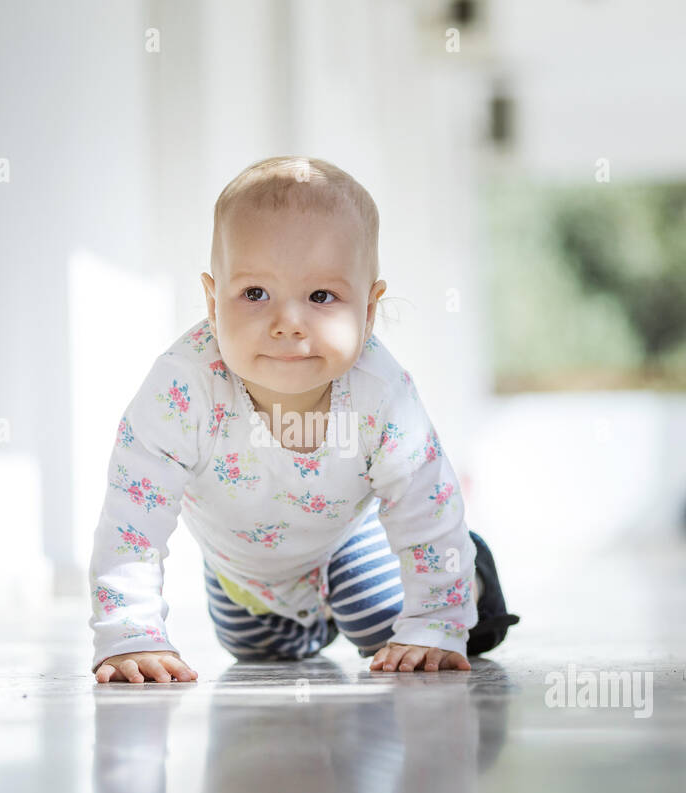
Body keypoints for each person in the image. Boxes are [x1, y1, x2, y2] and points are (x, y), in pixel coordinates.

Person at [90, 156, 519, 683]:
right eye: (254, 294)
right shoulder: (182, 389)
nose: (287, 323)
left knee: (382, 622)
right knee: (262, 653)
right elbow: (133, 515)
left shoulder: (379, 392)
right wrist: (129, 633)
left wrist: (436, 619)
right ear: (212, 302)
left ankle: (472, 580)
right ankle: (312, 619)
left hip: (349, 540)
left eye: (321, 296)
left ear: (368, 309)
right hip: (242, 574)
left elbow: (424, 502)